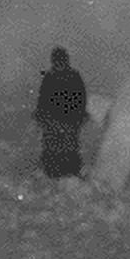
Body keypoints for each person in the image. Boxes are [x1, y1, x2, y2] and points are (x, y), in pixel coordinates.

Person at [33, 46, 88, 178]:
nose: (59, 64)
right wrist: (42, 115)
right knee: (55, 146)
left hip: (67, 120)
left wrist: (78, 116)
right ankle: (55, 170)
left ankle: (69, 170)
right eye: (57, 61)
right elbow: (43, 99)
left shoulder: (70, 76)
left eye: (60, 61)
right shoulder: (53, 77)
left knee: (66, 146)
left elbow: (81, 98)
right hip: (57, 120)